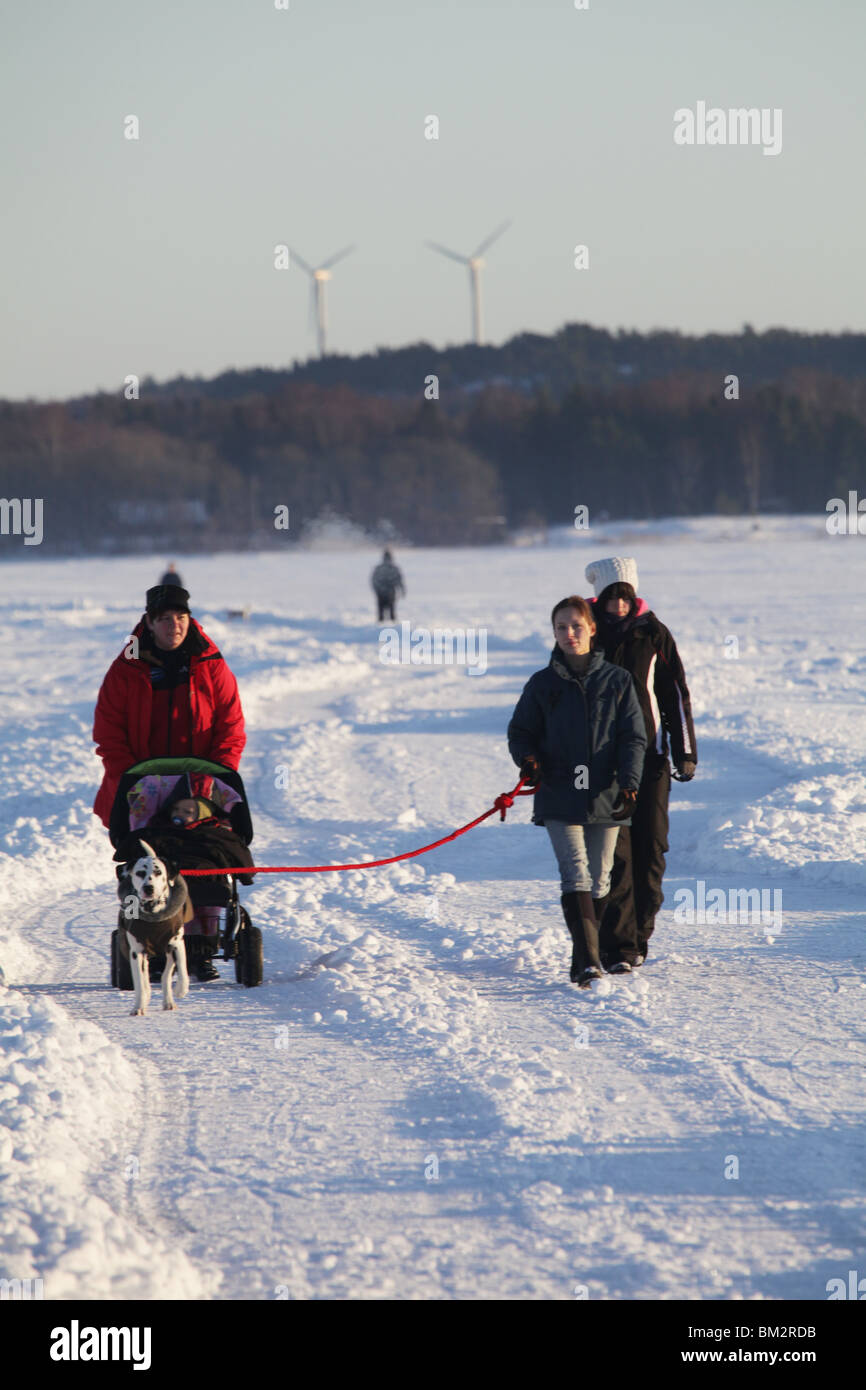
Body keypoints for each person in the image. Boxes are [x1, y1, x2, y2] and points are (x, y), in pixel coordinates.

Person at [93, 584, 246, 979]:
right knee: (146, 858)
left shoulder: (210, 664)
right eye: (164, 619)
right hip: (140, 790)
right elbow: (109, 731)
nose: (173, 625)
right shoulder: (125, 668)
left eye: (180, 618)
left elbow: (230, 725)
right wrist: (133, 780)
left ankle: (202, 943)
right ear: (149, 623)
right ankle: (150, 939)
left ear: (189, 620)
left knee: (204, 861)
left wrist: (213, 778)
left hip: (199, 788)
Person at [507, 595, 647, 987]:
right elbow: (520, 732)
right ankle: (586, 962)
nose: (569, 634)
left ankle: (587, 952)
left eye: (576, 626)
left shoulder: (618, 681)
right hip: (559, 791)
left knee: (601, 878)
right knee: (576, 874)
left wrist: (631, 783)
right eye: (561, 627)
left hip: (606, 790)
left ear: (592, 629)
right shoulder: (542, 684)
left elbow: (633, 738)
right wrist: (528, 759)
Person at [585, 557, 697, 968]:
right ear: (599, 596)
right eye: (610, 597)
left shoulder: (653, 633)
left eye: (624, 596)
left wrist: (684, 752)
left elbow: (674, 694)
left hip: (650, 760)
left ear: (633, 595)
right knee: (617, 856)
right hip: (602, 765)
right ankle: (621, 948)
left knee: (651, 851)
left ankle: (639, 934)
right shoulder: (584, 632)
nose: (617, 605)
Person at [113, 779, 255, 981]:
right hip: (163, 885)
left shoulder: (216, 835)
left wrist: (245, 872)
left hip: (205, 883)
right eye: (176, 809)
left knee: (207, 914)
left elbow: (237, 853)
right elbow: (132, 849)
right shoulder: (156, 831)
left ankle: (201, 956)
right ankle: (155, 958)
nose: (179, 814)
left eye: (187, 812)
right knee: (148, 910)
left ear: (202, 814)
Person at [370, 549, 405, 622]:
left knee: (381, 611)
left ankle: (379, 626)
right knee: (392, 610)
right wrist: (402, 590)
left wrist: (377, 589)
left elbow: (374, 580)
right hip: (391, 593)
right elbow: (399, 580)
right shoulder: (394, 568)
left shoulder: (378, 568)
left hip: (381, 593)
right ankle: (394, 626)